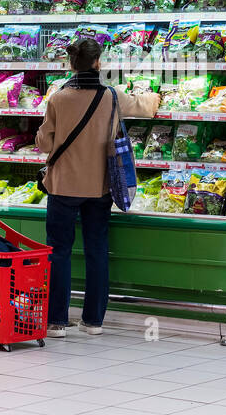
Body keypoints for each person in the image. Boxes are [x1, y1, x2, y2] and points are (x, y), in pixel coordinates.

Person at [35, 38, 160, 338]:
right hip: (99, 186)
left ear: (70, 64)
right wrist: (155, 95)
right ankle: (93, 321)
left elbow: (44, 144)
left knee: (58, 251)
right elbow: (145, 108)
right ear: (97, 63)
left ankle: (56, 321)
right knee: (96, 251)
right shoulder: (112, 96)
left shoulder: (58, 97)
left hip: (63, 185)